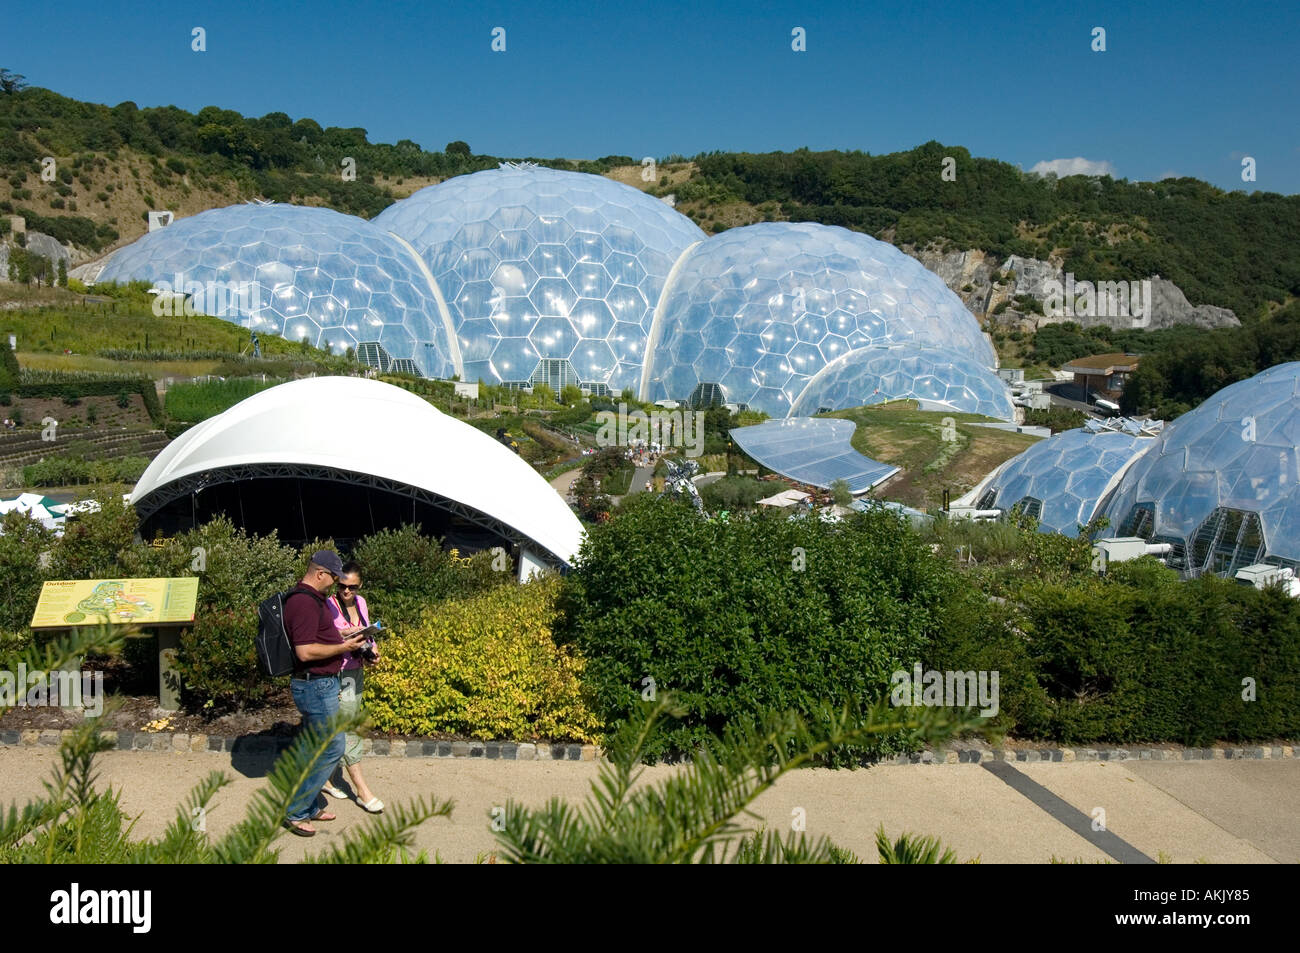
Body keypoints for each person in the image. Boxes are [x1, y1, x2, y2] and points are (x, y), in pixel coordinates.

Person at [283, 550, 368, 837]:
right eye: (334, 578)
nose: (335, 585)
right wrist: (344, 648)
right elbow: (305, 651)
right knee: (332, 747)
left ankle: (308, 806)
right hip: (315, 685)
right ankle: (296, 811)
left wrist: (345, 636)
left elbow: (318, 636)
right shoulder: (304, 603)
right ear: (320, 574)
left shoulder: (312, 600)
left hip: (321, 684)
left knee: (313, 749)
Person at [320, 561, 384, 813]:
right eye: (342, 586)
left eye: (352, 587)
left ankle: (324, 778)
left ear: (360, 586)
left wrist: (373, 651)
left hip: (356, 669)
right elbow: (323, 637)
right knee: (349, 727)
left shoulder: (362, 602)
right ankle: (361, 789)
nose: (347, 591)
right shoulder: (328, 605)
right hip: (337, 671)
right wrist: (346, 635)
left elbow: (368, 635)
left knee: (338, 725)